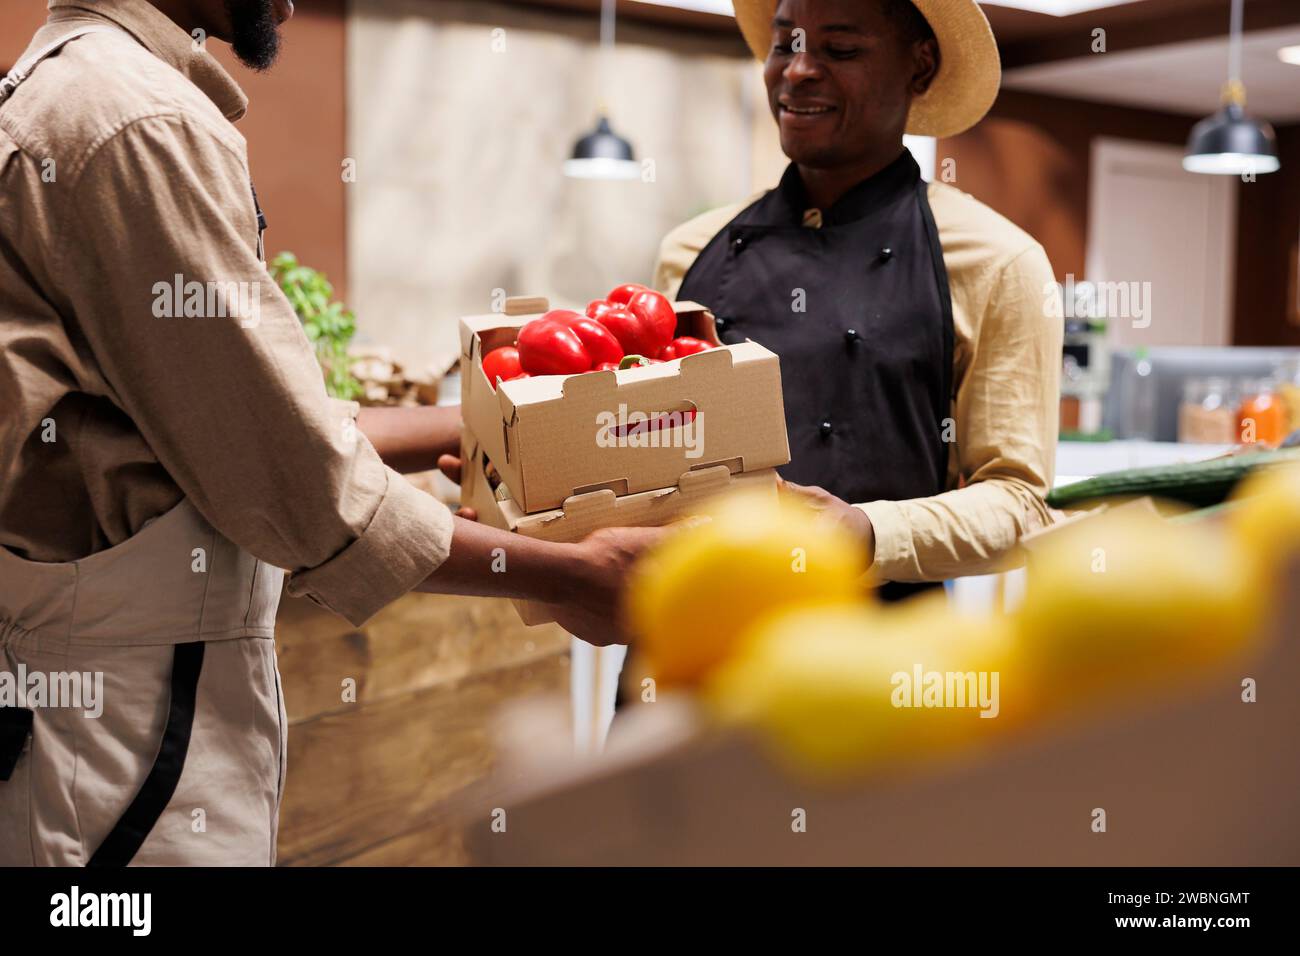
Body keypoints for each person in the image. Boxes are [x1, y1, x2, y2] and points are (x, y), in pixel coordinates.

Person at [0, 0, 654, 866]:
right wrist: (572, 577)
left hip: (120, 680)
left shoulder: (77, 86)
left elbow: (232, 424)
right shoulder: (137, 122)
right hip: (130, 710)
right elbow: (293, 483)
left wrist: (500, 421)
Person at [654, 0, 1062, 599]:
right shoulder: (688, 251)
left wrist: (871, 531)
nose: (797, 71)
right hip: (688, 642)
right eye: (785, 43)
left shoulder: (999, 263)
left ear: (919, 68)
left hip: (879, 664)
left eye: (840, 50)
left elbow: (1020, 506)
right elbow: (646, 448)